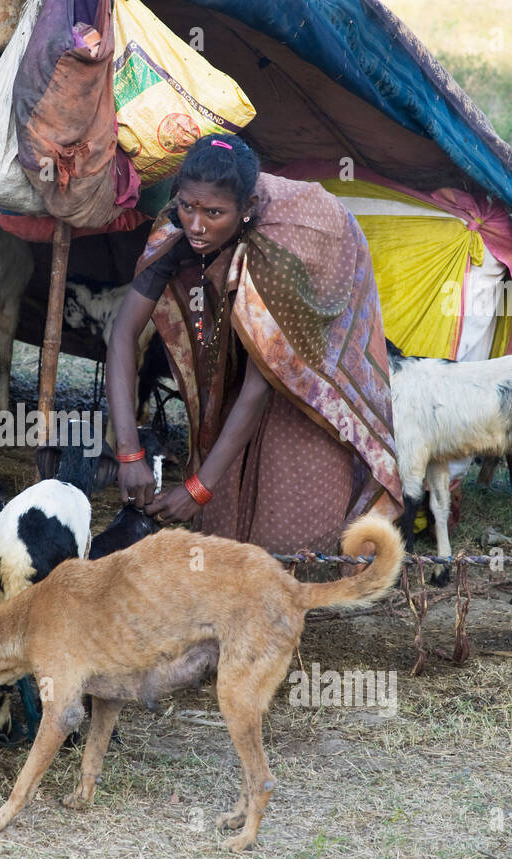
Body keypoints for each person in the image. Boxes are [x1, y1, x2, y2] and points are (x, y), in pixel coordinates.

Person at [106, 134, 401, 554]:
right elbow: (122, 335)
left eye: (213, 213)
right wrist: (128, 453)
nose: (196, 224)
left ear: (245, 211)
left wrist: (197, 489)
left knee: (287, 520)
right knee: (221, 528)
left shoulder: (281, 255)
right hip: (253, 317)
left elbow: (260, 383)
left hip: (313, 314)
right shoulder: (180, 231)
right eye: (188, 206)